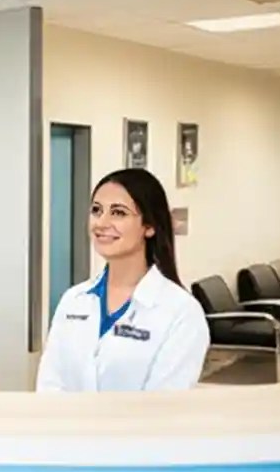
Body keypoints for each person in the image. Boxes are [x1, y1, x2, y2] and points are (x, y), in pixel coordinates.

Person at [36, 168, 209, 392]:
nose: (101, 222)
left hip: (139, 427)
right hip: (68, 426)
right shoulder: (73, 300)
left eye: (118, 213)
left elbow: (164, 404)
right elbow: (49, 385)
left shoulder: (181, 312)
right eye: (96, 210)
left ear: (149, 226)